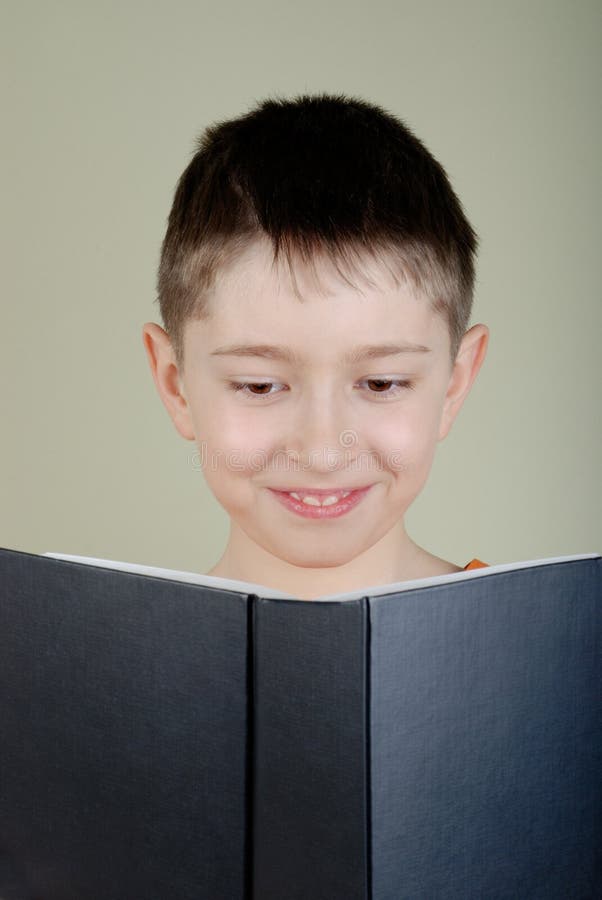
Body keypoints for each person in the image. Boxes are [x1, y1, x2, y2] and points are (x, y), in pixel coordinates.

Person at [142, 93, 489, 600]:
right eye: (259, 386)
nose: (323, 452)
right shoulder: (101, 645)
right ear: (176, 386)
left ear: (454, 385)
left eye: (381, 383)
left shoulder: (559, 636)